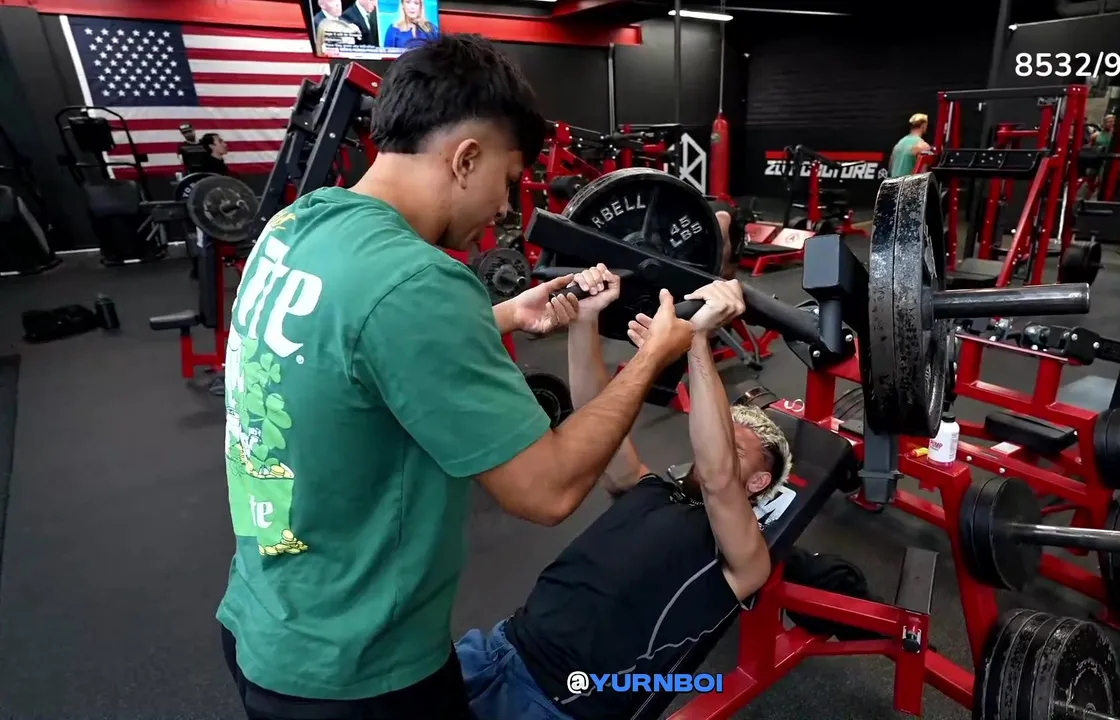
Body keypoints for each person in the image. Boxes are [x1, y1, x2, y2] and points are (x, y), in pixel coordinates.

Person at [217, 35, 695, 720]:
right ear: (466, 158)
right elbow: (547, 489)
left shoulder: (296, 224)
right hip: (361, 677)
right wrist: (651, 358)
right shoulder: (417, 281)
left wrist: (499, 315)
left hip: (265, 623)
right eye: (508, 180)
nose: (505, 208)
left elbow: (346, 345)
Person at [454, 267, 878, 720]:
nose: (710, 445)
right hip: (493, 647)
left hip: (553, 703)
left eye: (732, 446)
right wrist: (585, 320)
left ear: (758, 482)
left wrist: (696, 342)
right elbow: (594, 411)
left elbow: (719, 478)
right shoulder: (647, 487)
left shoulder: (744, 558)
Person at [889, 113, 933, 178]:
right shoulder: (923, 146)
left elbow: (890, 167)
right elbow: (923, 174)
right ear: (923, 126)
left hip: (894, 183)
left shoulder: (899, 144)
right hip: (909, 183)